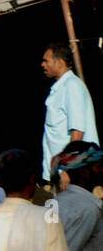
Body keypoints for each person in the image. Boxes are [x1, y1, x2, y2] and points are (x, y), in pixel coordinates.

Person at [41, 42, 99, 182]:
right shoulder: (60, 88)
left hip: (70, 176)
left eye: (46, 61)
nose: (42, 65)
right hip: (58, 173)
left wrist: (68, 170)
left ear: (60, 63)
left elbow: (77, 133)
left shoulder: (72, 86)